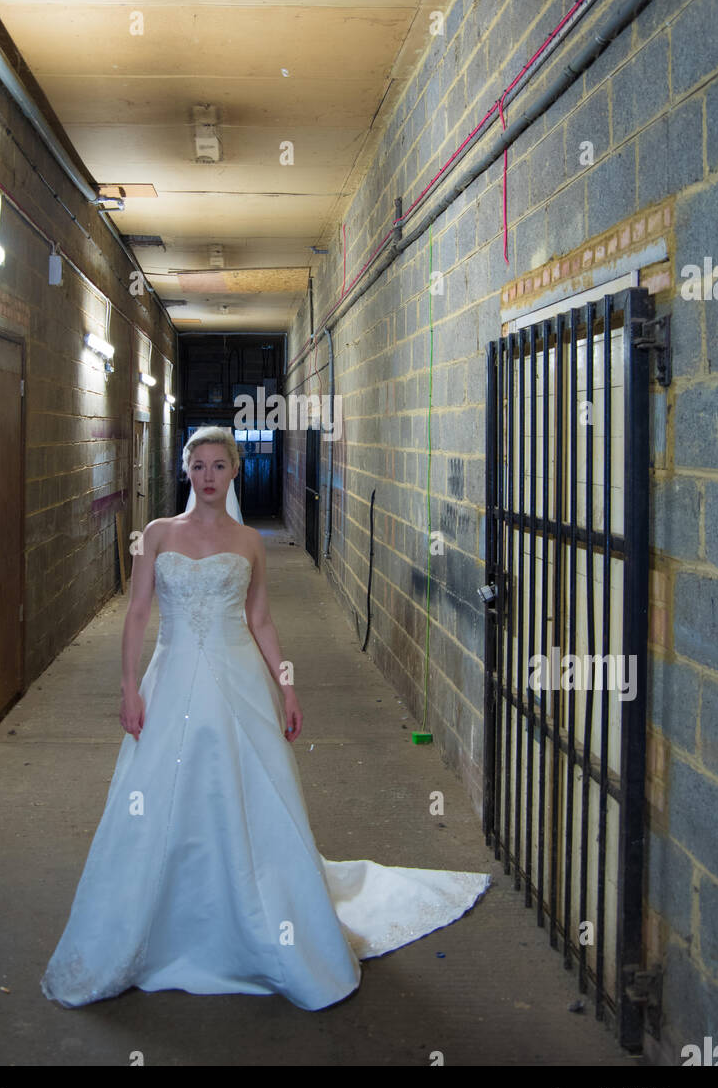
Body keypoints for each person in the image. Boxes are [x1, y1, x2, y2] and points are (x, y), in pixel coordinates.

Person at [40, 425, 489, 1010]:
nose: (207, 476)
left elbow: (262, 622)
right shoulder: (156, 535)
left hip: (239, 682)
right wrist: (128, 689)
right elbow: (136, 616)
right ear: (186, 471)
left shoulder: (250, 541)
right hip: (171, 680)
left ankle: (258, 921)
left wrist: (289, 689)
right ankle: (153, 929)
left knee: (250, 795)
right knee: (157, 795)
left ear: (234, 471)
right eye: (197, 466)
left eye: (218, 466)